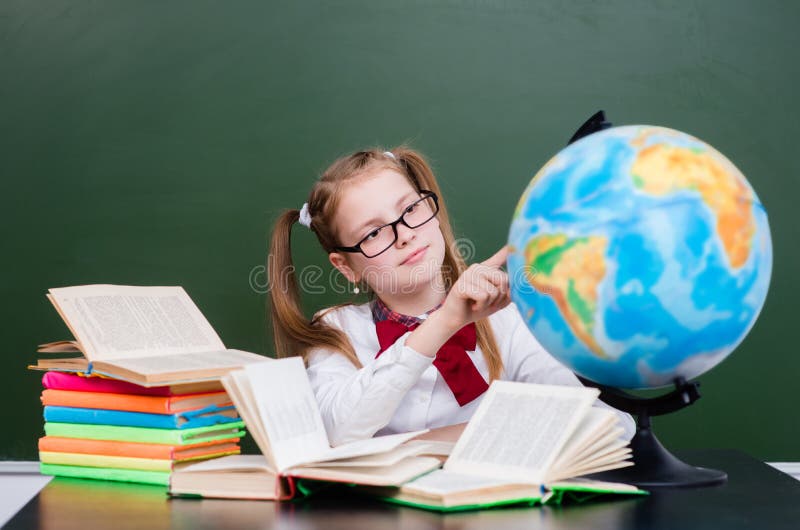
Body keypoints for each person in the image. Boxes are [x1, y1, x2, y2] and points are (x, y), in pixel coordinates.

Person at [267, 146, 635, 446]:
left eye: (410, 209)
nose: (404, 234)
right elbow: (335, 431)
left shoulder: (506, 318)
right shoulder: (336, 332)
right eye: (373, 233)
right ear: (346, 267)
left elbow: (608, 425)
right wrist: (444, 322)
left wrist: (425, 445)